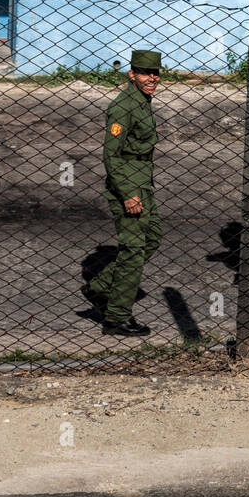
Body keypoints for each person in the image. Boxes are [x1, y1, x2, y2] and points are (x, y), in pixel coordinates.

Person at [84, 49, 163, 336]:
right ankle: (116, 317)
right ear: (132, 74)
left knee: (152, 238)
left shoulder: (142, 101)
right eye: (145, 73)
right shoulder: (123, 107)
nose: (152, 78)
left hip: (143, 181)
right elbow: (111, 156)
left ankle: (101, 287)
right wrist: (128, 193)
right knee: (132, 251)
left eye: (155, 72)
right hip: (128, 185)